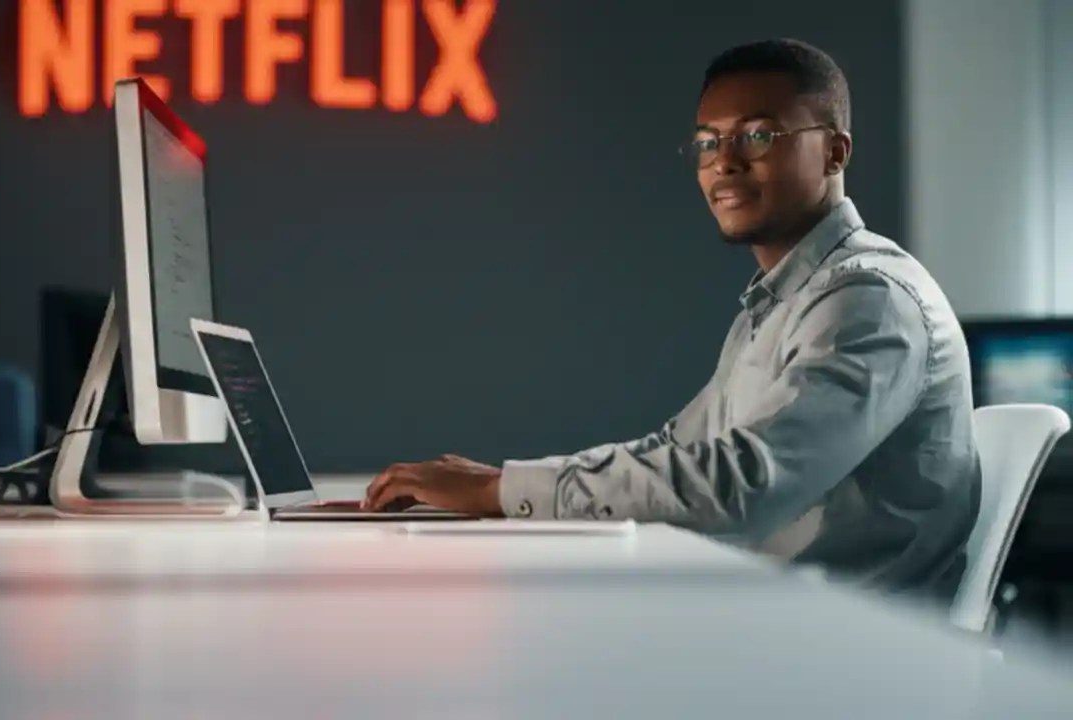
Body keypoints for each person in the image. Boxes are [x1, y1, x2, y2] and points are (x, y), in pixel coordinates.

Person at [362, 38, 981, 602]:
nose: (724, 163)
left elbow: (739, 490)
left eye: (758, 136)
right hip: (771, 627)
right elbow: (680, 450)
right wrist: (506, 487)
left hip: (840, 659)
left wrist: (501, 492)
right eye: (709, 142)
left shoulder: (869, 301)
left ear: (835, 151)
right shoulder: (785, 300)